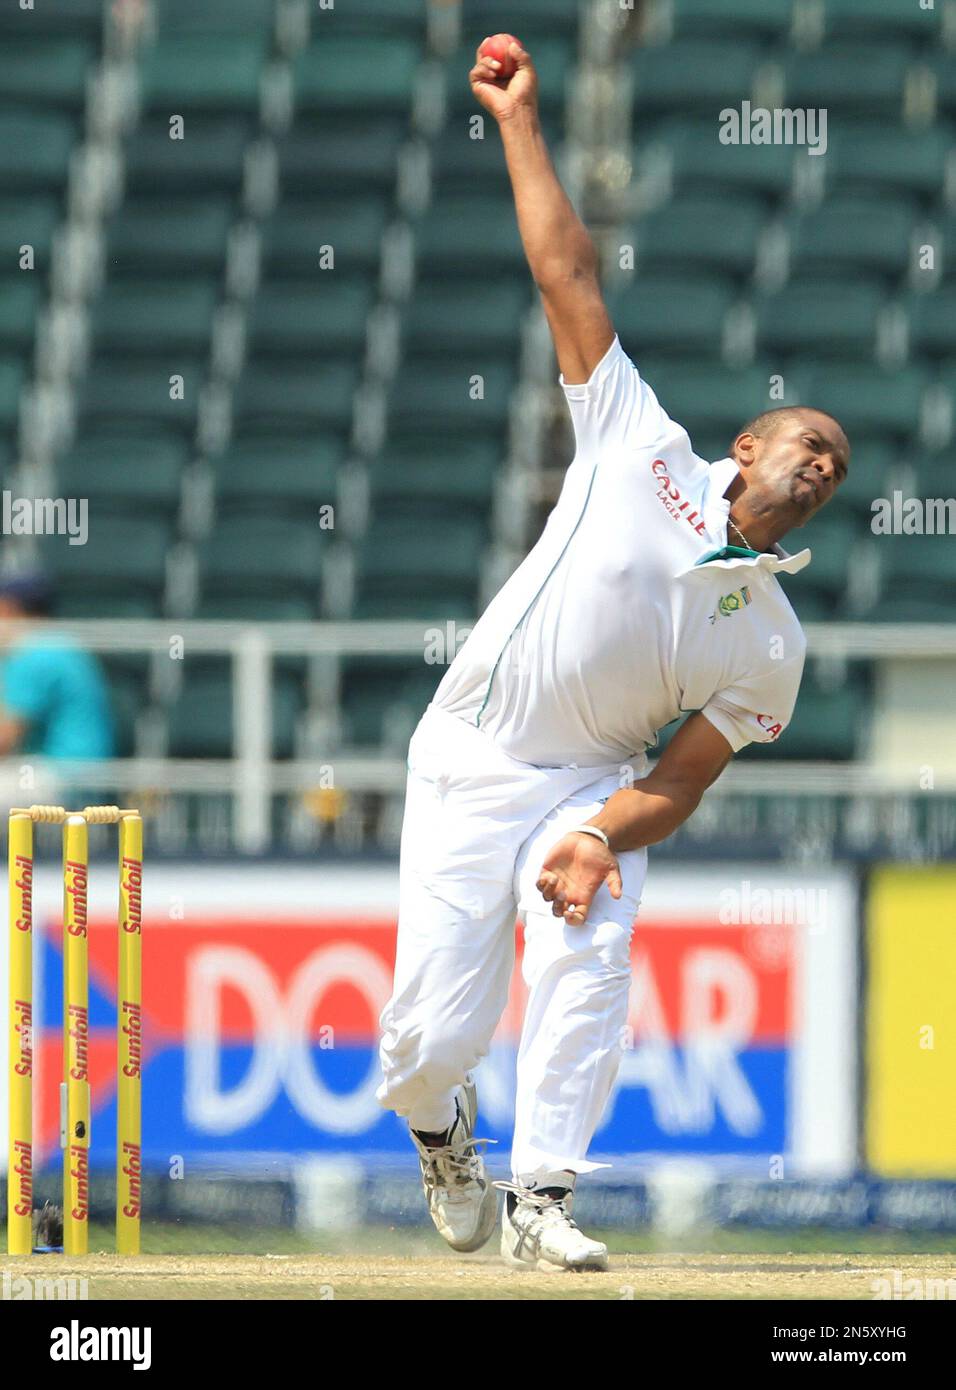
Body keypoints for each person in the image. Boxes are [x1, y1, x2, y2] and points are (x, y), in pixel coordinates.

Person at [377, 41, 850, 1272]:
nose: (822, 467)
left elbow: (681, 780)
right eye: (807, 444)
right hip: (470, 752)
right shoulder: (635, 441)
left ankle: (541, 1195)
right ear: (745, 446)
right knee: (429, 1033)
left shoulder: (773, 641)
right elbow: (566, 269)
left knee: (589, 937)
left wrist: (599, 835)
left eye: (838, 470)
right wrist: (519, 121)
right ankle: (440, 1130)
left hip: (590, 779)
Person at [0, 571, 115, 796]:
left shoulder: (37, 650)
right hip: (76, 773)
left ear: (9, 608)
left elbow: (4, 738)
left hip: (63, 776)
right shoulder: (59, 642)